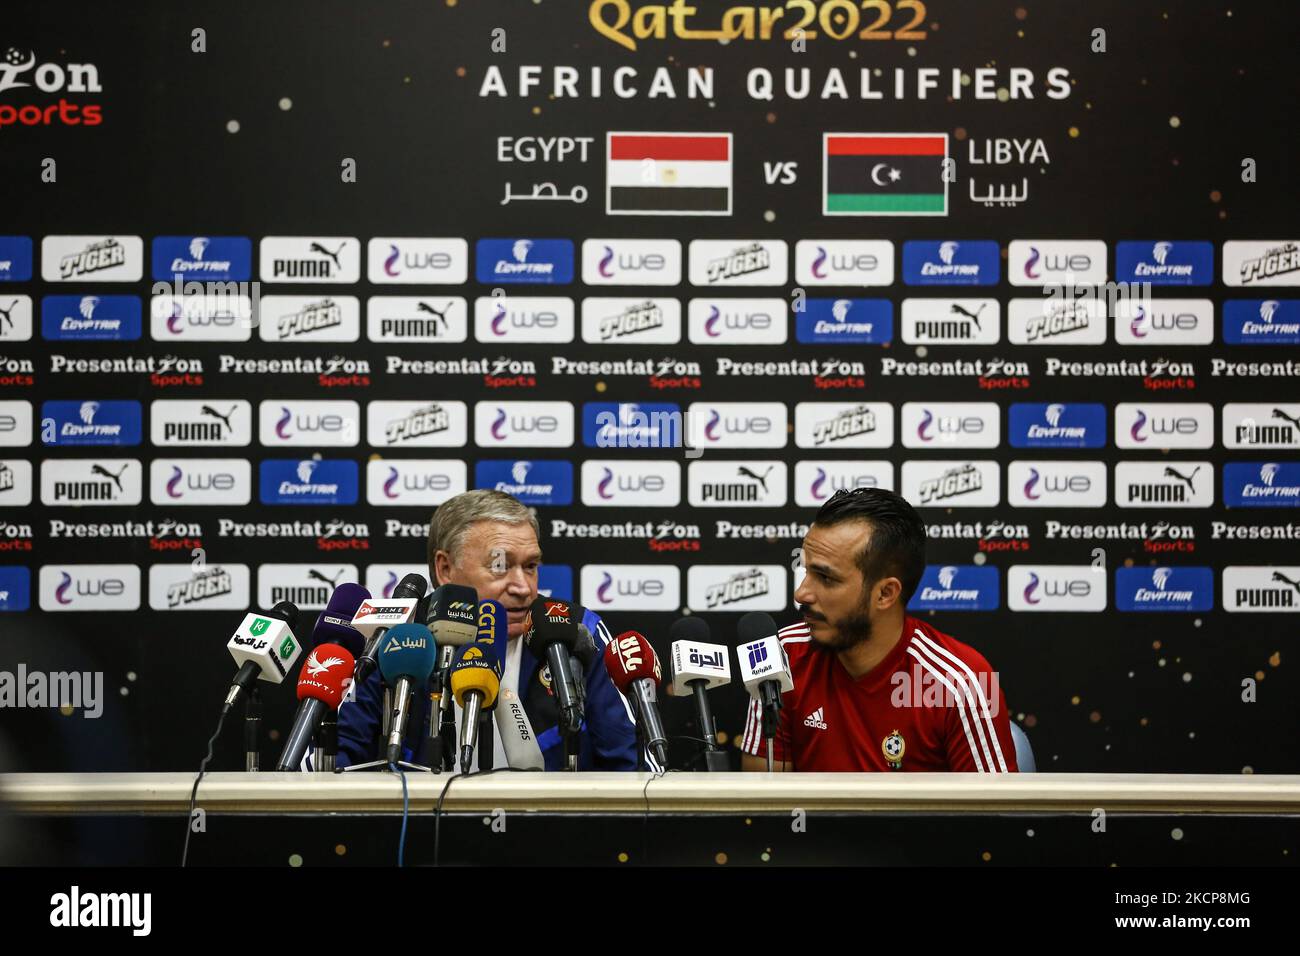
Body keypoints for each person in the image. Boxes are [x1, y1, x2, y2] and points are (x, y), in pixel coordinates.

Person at [334, 489, 652, 771]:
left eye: (530, 566)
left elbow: (635, 768)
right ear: (445, 569)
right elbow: (335, 763)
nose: (523, 587)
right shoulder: (392, 636)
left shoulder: (579, 632)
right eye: (500, 565)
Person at [740, 487, 1018, 773]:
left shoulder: (960, 682)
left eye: (825, 577)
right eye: (806, 571)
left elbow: (993, 814)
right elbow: (765, 806)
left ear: (885, 593)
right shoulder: (783, 656)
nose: (801, 593)